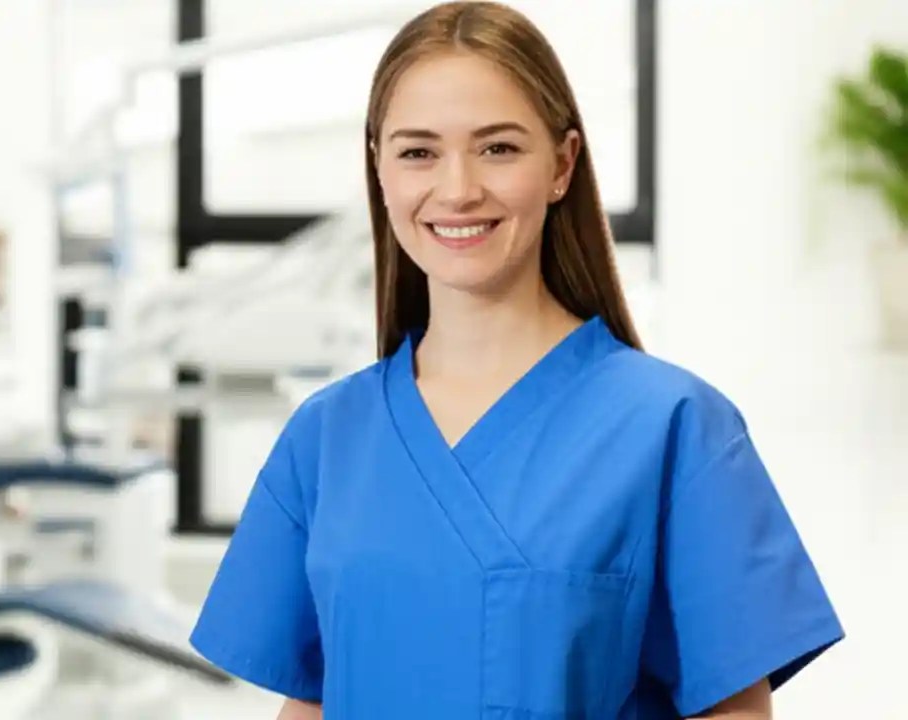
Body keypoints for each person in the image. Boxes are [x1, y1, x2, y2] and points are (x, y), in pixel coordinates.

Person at [188, 2, 845, 718]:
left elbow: (734, 710)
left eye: (498, 148)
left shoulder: (674, 429)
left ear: (562, 165)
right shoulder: (325, 438)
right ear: (378, 166)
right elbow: (309, 704)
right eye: (418, 151)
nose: (459, 187)